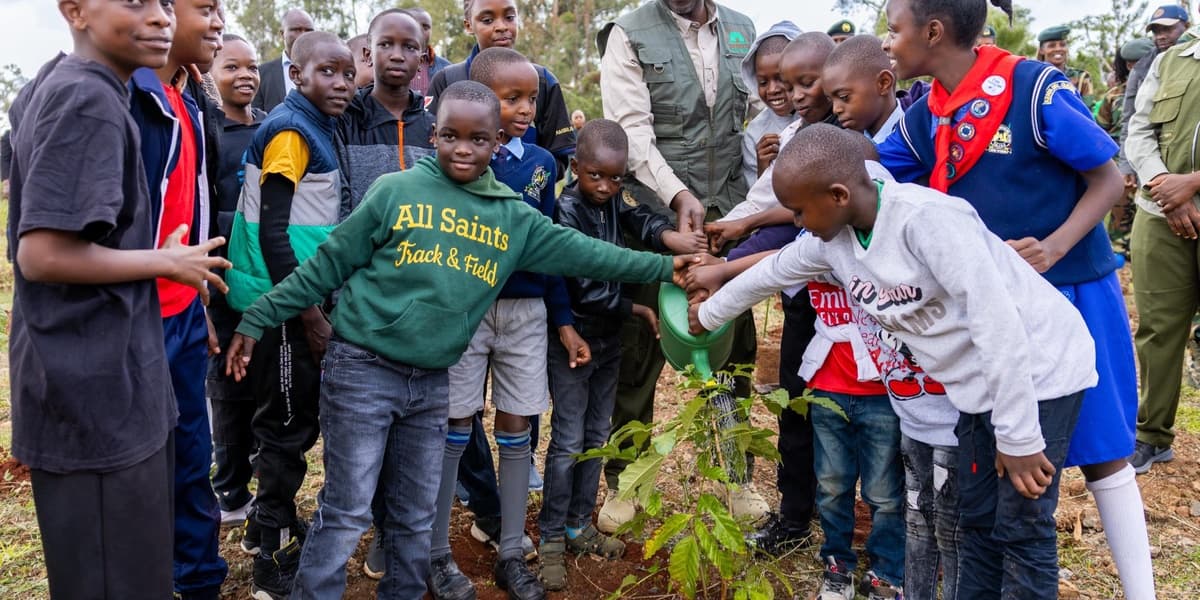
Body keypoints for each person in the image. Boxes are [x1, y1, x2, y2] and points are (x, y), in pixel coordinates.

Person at [222, 78, 693, 600]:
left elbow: (592, 254)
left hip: (429, 382)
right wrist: (256, 318)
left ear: (497, 142)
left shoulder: (511, 217)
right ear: (434, 136)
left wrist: (673, 267)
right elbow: (324, 267)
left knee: (416, 514)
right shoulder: (394, 192)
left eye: (476, 139)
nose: (462, 149)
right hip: (363, 369)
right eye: (449, 136)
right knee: (348, 510)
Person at [691, 123, 1100, 600]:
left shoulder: (927, 222)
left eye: (801, 210)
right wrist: (706, 315)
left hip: (1038, 372)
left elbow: (998, 326)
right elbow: (773, 270)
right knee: (978, 520)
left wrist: (1019, 434)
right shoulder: (834, 241)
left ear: (839, 194)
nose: (798, 222)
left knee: (1021, 523)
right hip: (975, 387)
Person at [878, 1, 1154, 598]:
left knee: (1103, 448)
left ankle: (1142, 591)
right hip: (992, 315)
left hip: (1071, 290)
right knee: (1006, 450)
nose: (886, 43)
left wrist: (1053, 248)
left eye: (893, 30)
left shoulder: (1033, 90)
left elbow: (1108, 178)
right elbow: (866, 176)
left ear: (932, 32)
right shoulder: (924, 116)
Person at [8, 1, 230, 599]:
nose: (160, 17)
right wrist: (168, 262)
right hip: (95, 390)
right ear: (75, 10)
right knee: (118, 578)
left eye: (163, 2)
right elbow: (42, 253)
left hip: (96, 376)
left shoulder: (60, 84)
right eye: (135, 1)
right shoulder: (91, 99)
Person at [596, 0, 761, 530]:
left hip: (729, 219)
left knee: (734, 351)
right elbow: (632, 132)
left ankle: (736, 477)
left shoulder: (743, 30)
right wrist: (677, 195)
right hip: (656, 219)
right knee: (640, 352)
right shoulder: (630, 33)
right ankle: (627, 482)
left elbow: (750, 124)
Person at [425, 47, 571, 600]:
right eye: (513, 98)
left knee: (517, 428)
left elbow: (551, 243)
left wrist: (562, 318)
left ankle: (512, 548)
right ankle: (437, 552)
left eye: (532, 97)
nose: (527, 108)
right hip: (465, 310)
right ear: (483, 102)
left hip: (526, 312)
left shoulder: (541, 163)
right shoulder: (459, 159)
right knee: (453, 426)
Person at [537, 119, 706, 591]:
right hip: (576, 339)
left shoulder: (617, 197)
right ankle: (551, 536)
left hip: (610, 338)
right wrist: (637, 307)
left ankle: (578, 524)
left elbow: (643, 219)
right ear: (576, 167)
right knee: (569, 437)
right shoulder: (565, 210)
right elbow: (586, 286)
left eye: (615, 177)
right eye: (596, 176)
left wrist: (673, 238)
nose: (607, 187)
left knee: (598, 433)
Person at [223, 31, 356, 599]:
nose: (342, 84)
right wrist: (307, 315)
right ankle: (268, 561)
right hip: (280, 303)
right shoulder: (290, 132)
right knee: (283, 428)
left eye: (349, 74)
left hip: (292, 297)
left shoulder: (317, 127)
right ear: (297, 74)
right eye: (328, 72)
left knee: (292, 419)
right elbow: (275, 234)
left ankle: (264, 525)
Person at [127, 1, 229, 597]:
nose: (216, 22)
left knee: (194, 458)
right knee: (143, 472)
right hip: (132, 321)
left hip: (183, 315)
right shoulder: (126, 98)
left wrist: (199, 305)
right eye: (206, 8)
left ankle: (199, 582)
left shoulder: (190, 102)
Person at [334, 9, 440, 581]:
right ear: (367, 56)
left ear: (425, 57)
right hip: (364, 306)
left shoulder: (435, 128)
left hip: (426, 309)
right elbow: (337, 209)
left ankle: (407, 543)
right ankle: (374, 525)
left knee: (417, 438)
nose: (397, 55)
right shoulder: (346, 121)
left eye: (409, 46)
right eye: (385, 45)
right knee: (367, 436)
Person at [1125, 2, 1200, 478]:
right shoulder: (1173, 60)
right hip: (1162, 213)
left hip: (1184, 196)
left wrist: (1194, 183)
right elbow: (1138, 128)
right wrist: (1166, 186)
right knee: (1156, 330)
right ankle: (1152, 436)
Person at [208, 32, 269, 528]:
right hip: (222, 277)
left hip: (267, 274)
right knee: (228, 382)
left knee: (264, 374)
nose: (244, 75)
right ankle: (230, 487)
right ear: (212, 73)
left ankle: (262, 471)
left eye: (251, 66)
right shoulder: (205, 130)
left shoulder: (271, 129)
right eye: (231, 67)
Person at [426, 0, 576, 177]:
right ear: (468, 25)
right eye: (488, 20)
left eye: (510, 17)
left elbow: (557, 157)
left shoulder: (543, 81)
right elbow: (429, 148)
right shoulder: (447, 80)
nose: (502, 27)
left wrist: (525, 182)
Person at [1096, 39, 1153, 260]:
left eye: (1137, 62)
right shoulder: (1114, 95)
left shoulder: (1162, 87)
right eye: (1128, 64)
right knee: (1120, 212)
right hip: (1121, 162)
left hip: (1150, 164)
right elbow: (1102, 130)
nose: (1133, 68)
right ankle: (1119, 250)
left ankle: (1145, 252)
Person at [740, 21, 801, 188]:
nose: (772, 89)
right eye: (763, 82)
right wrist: (763, 167)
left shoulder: (828, 115)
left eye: (780, 78)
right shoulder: (756, 133)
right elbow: (757, 200)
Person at [822, 35, 903, 144]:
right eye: (831, 101)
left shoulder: (918, 138)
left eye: (844, 97)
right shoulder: (846, 146)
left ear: (884, 83)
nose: (835, 109)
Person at [253, 8, 315, 112]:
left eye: (309, 30)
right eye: (296, 29)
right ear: (282, 34)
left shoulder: (325, 71)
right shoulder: (261, 74)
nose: (303, 35)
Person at [1036, 25, 1095, 105]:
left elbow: (1088, 111)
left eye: (1062, 45)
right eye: (1052, 45)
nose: (1058, 48)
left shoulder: (1081, 78)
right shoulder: (1035, 77)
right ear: (1041, 50)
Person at [402, 7, 452, 97]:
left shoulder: (447, 68)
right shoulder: (391, 64)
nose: (419, 31)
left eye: (425, 27)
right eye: (414, 26)